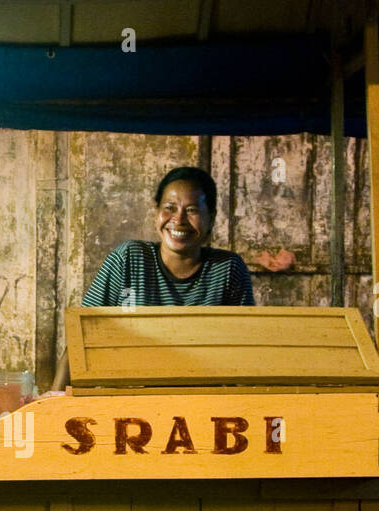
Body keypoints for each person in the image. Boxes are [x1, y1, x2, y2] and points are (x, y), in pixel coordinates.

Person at [52, 166, 254, 389]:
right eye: (169, 208)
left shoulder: (227, 269)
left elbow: (245, 355)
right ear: (156, 211)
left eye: (193, 210)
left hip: (202, 406)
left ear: (212, 217)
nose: (179, 220)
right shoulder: (128, 259)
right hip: (128, 403)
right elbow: (80, 336)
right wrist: (52, 403)